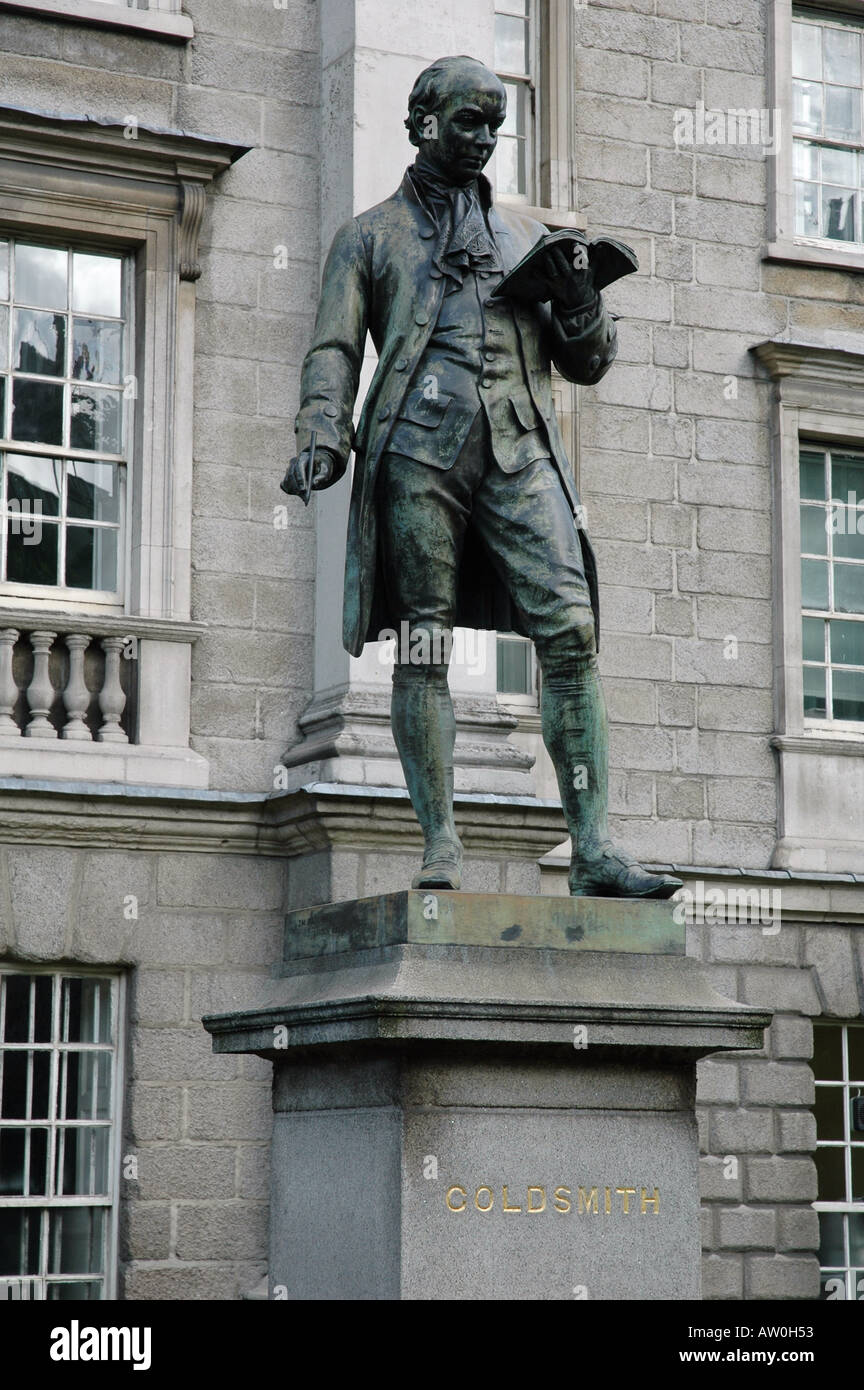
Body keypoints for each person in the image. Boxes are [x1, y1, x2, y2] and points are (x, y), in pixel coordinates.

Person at [282, 55, 681, 900]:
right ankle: (441, 846)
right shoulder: (368, 236)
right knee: (423, 647)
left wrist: (579, 299)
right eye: (470, 122)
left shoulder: (525, 241)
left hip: (518, 448)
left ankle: (593, 848)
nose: (485, 140)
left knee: (572, 632)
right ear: (422, 123)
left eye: (495, 126)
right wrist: (322, 433)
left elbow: (590, 363)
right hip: (419, 456)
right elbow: (334, 349)